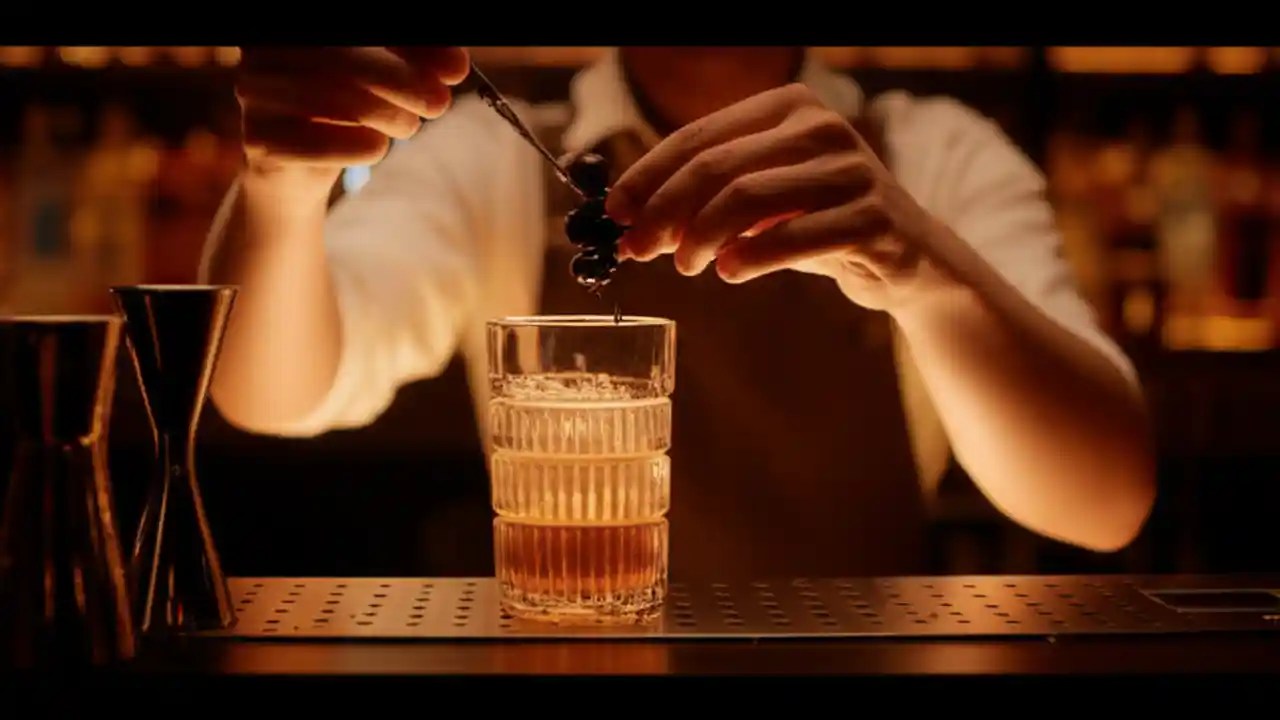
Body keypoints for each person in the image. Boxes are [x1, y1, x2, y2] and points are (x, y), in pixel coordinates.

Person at [200, 46, 1155, 579]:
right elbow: (272, 392)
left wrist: (928, 274)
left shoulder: (938, 157)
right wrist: (282, 186)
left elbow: (1106, 502)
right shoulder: (485, 164)